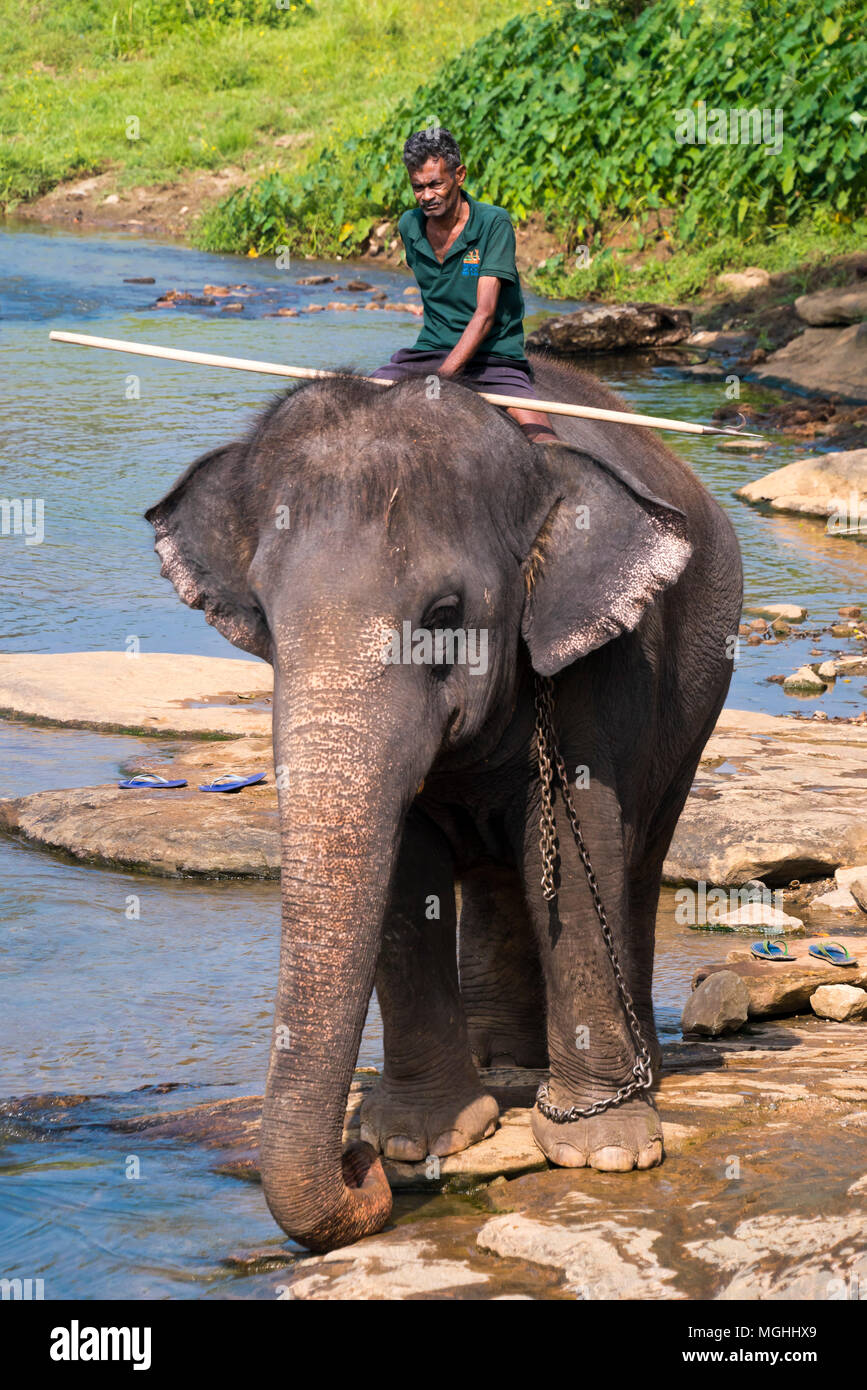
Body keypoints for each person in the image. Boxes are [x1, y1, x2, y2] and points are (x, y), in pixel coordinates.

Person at [370, 128, 558, 444]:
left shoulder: (493, 223)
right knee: (362, 398)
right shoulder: (409, 226)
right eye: (418, 187)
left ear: (459, 175)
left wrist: (442, 380)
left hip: (492, 357)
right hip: (430, 351)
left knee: (543, 441)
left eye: (435, 184)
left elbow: (485, 314)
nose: (426, 196)